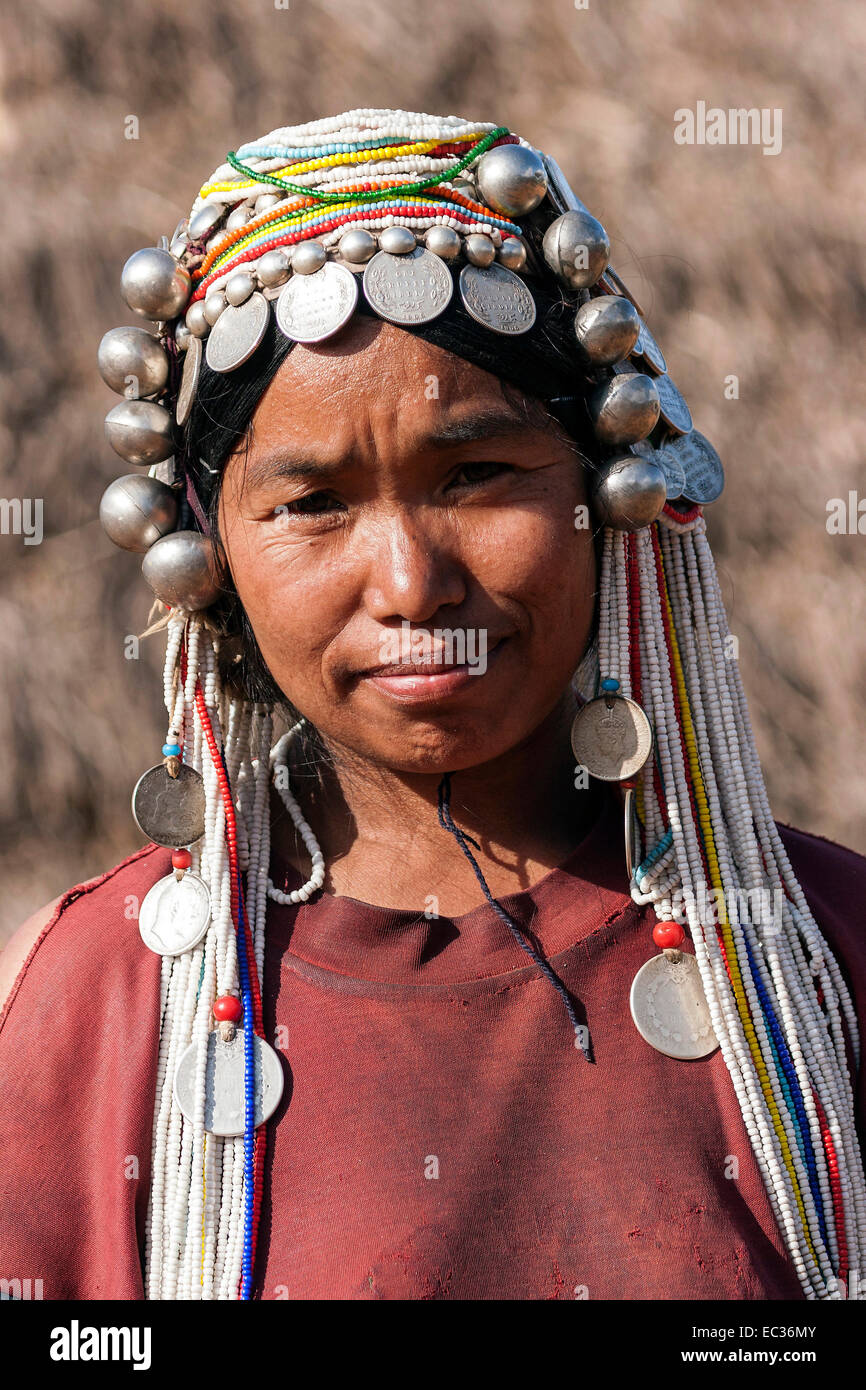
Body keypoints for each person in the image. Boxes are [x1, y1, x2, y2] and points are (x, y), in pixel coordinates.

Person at [1, 108, 864, 1302]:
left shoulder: (819, 963)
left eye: (474, 475)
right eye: (311, 503)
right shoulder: (110, 999)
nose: (409, 583)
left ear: (606, 489)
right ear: (208, 551)